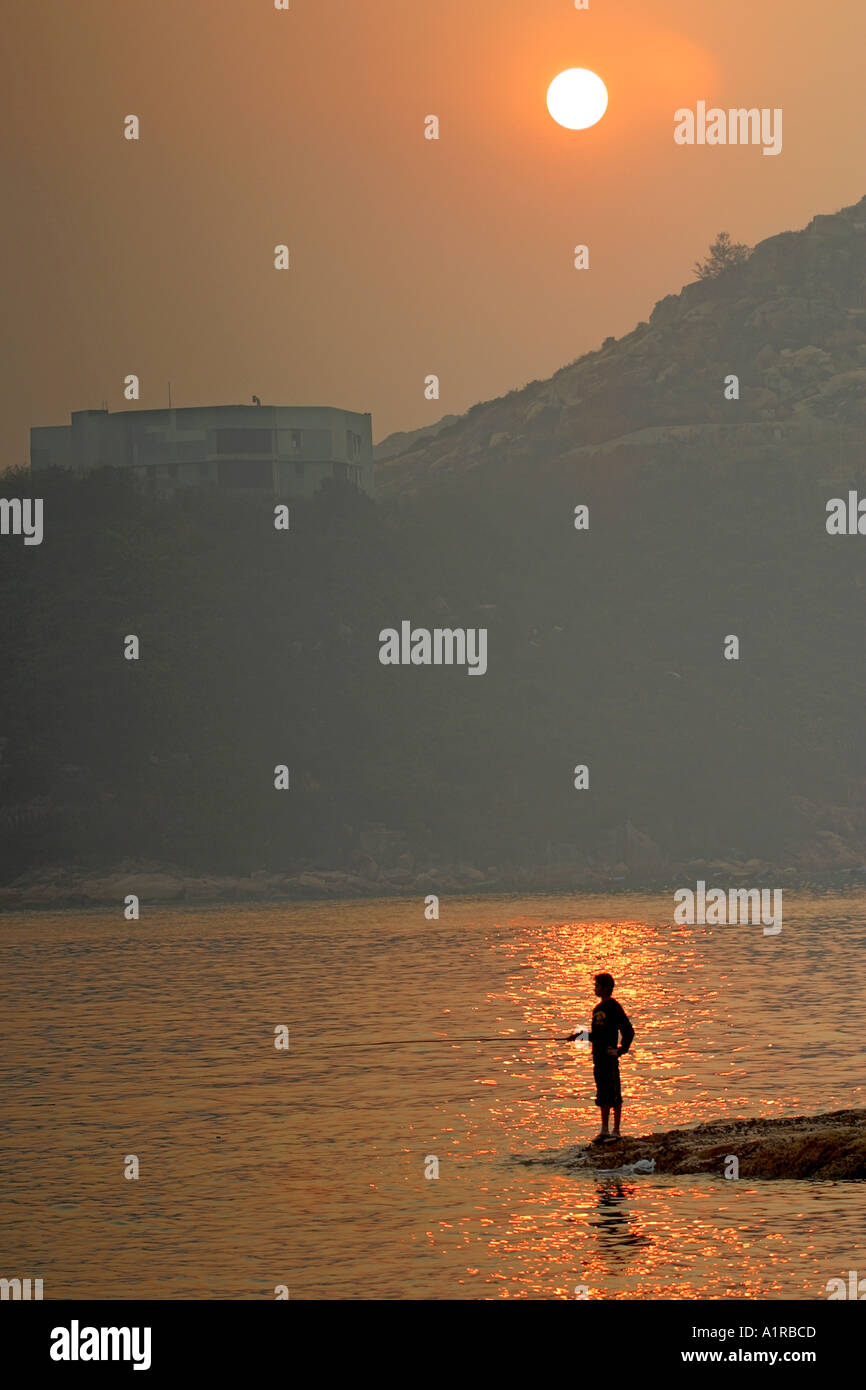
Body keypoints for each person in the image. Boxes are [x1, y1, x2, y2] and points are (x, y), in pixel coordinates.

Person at [568, 972, 634, 1143]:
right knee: (602, 1093)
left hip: (610, 1058)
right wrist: (579, 1036)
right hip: (598, 1058)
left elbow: (628, 1030)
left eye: (597, 986)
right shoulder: (597, 1009)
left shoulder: (614, 1007)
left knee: (614, 1093)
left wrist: (620, 1050)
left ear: (605, 988)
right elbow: (596, 1036)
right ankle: (604, 1130)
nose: (594, 988)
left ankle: (616, 1130)